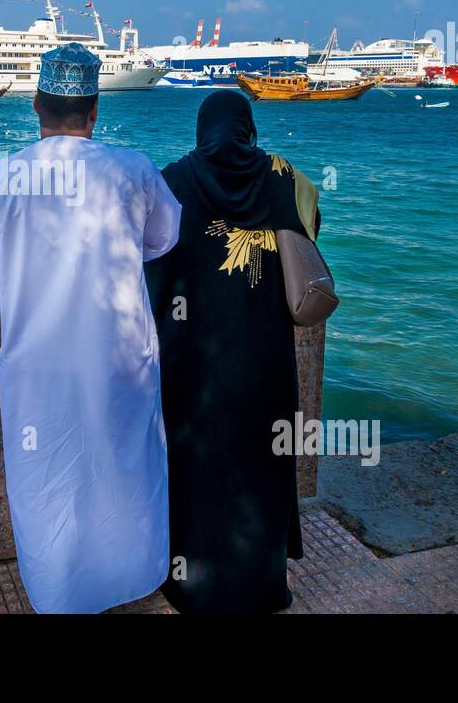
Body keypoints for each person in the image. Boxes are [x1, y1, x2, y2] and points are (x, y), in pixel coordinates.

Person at [0, 42, 182, 614]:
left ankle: (60, 594)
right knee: (124, 465)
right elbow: (165, 238)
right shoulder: (133, 168)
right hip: (120, 357)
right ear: (93, 111)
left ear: (35, 104)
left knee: (47, 478)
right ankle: (133, 578)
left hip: (39, 366)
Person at [144, 90, 321, 613]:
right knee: (262, 466)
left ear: (203, 129)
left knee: (197, 466)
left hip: (193, 363)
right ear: (249, 129)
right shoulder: (289, 179)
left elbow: (151, 271)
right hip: (265, 357)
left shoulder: (172, 180)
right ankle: (266, 587)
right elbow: (311, 244)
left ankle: (192, 585)